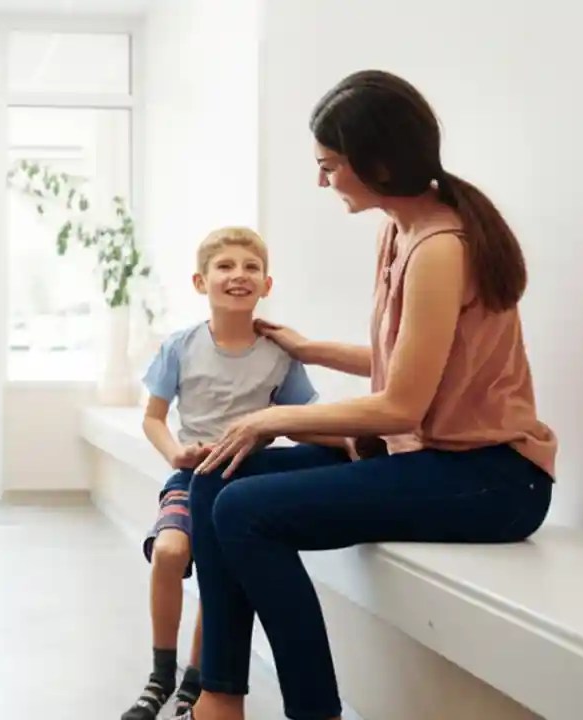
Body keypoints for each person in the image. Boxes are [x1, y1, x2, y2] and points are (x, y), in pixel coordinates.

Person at [175, 70, 557, 720]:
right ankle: (220, 696)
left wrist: (273, 418)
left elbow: (401, 406)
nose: (322, 181)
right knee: (214, 482)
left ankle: (313, 712)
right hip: (426, 458)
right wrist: (306, 347)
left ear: (376, 162)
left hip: (493, 480)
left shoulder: (441, 248)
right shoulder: (399, 230)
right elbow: (404, 366)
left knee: (245, 511)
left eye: (330, 166)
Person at [124, 227, 329, 720]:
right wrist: (176, 453)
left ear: (267, 284)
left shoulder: (281, 356)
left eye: (250, 267)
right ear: (201, 282)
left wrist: (349, 441)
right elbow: (153, 417)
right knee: (171, 551)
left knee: (223, 571)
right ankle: (161, 674)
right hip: (193, 474)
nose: (239, 275)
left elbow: (303, 420)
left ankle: (198, 682)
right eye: (225, 267)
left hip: (249, 479)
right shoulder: (182, 346)